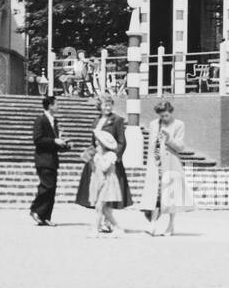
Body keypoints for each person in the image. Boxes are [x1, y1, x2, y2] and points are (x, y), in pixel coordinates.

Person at [75, 94, 132, 233]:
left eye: (110, 104)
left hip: (110, 160)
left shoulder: (117, 120)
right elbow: (93, 142)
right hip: (97, 161)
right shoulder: (96, 121)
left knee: (108, 193)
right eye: (105, 105)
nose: (108, 107)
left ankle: (106, 223)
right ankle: (103, 223)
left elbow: (121, 142)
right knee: (99, 193)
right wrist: (88, 155)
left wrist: (114, 156)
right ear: (99, 106)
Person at [141, 100, 196, 235]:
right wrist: (150, 162)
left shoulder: (179, 125)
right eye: (161, 116)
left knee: (171, 195)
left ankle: (171, 225)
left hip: (171, 163)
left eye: (166, 115)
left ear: (171, 112)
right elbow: (151, 144)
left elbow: (180, 147)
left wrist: (169, 138)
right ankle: (153, 224)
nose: (164, 118)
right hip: (156, 164)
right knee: (155, 196)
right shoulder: (154, 124)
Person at [30, 94, 71, 226]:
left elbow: (56, 144)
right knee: (47, 186)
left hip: (52, 159)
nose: (58, 106)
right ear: (50, 105)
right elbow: (38, 140)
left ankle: (46, 216)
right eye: (56, 104)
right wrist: (54, 140)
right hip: (43, 159)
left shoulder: (55, 122)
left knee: (52, 188)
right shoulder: (40, 120)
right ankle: (35, 210)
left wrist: (65, 145)